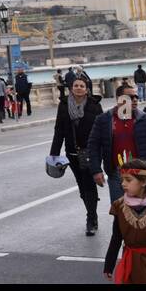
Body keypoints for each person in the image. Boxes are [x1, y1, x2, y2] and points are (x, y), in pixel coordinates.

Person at [87, 84, 146, 203]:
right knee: (120, 212)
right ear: (119, 99)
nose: (135, 99)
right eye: (130, 97)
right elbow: (93, 145)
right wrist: (96, 170)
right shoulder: (104, 120)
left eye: (136, 96)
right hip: (117, 175)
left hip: (143, 174)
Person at [102, 159, 146, 284]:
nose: (123, 184)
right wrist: (109, 264)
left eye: (128, 180)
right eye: (123, 180)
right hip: (132, 264)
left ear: (144, 182)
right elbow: (116, 237)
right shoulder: (119, 206)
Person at [50, 77, 104, 235]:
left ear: (87, 89)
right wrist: (54, 154)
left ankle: (91, 218)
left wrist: (103, 151)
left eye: (82, 86)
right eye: (76, 85)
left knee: (89, 184)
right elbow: (59, 130)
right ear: (71, 88)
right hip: (72, 152)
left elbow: (102, 130)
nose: (79, 88)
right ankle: (90, 211)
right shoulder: (64, 105)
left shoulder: (94, 105)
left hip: (90, 152)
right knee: (81, 186)